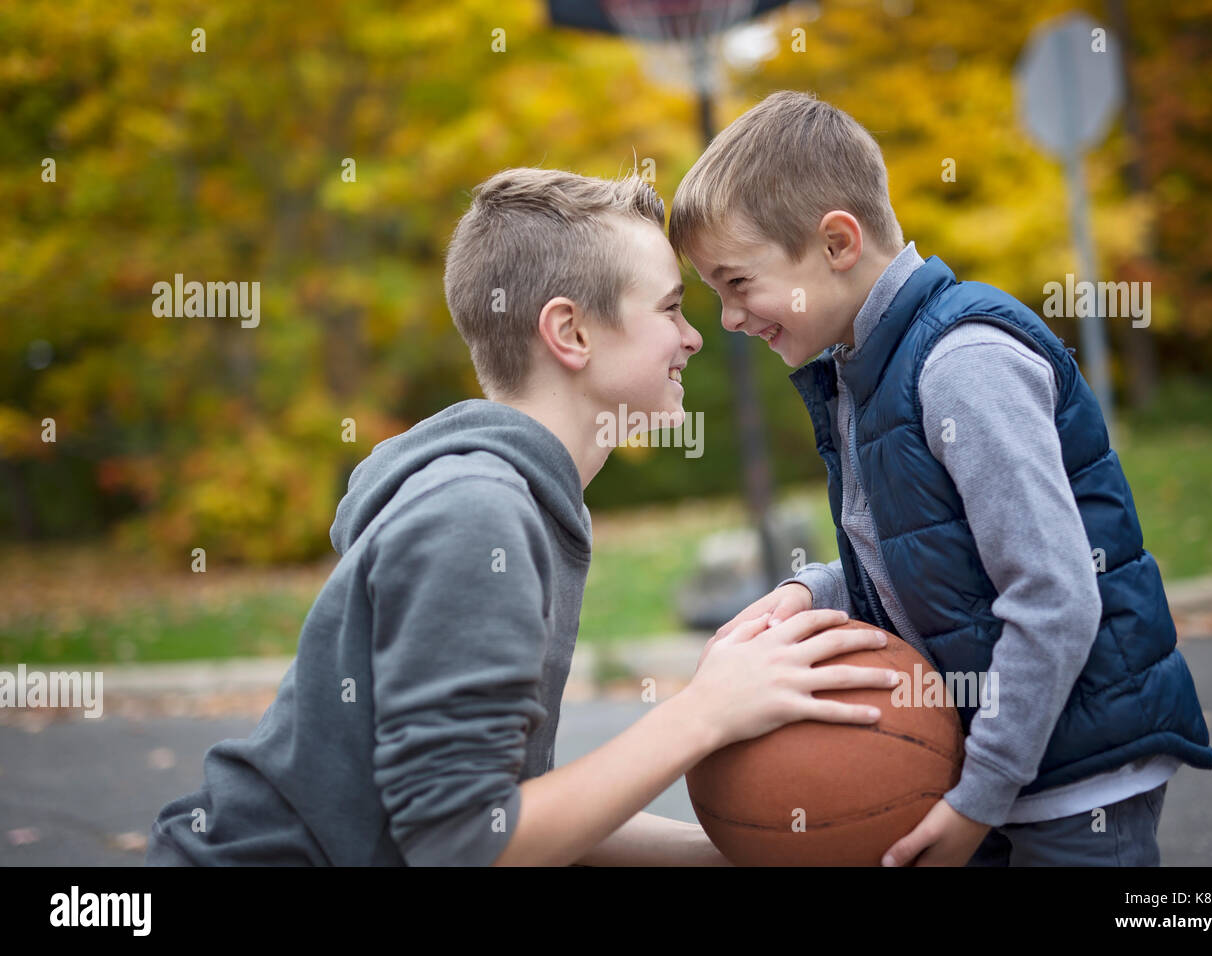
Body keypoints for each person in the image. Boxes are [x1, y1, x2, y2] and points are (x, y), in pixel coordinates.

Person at [145, 166, 898, 867]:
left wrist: (747, 854)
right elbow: (465, 844)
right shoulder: (476, 516)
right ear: (570, 333)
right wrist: (704, 713)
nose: (694, 336)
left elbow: (510, 815)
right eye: (670, 308)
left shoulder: (516, 501)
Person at [668, 90, 1212, 866]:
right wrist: (811, 591)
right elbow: (920, 555)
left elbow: (1053, 594)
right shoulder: (863, 371)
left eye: (736, 283)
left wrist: (979, 793)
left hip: (1070, 774)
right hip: (1000, 766)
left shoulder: (962, 364)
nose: (728, 318)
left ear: (836, 243)